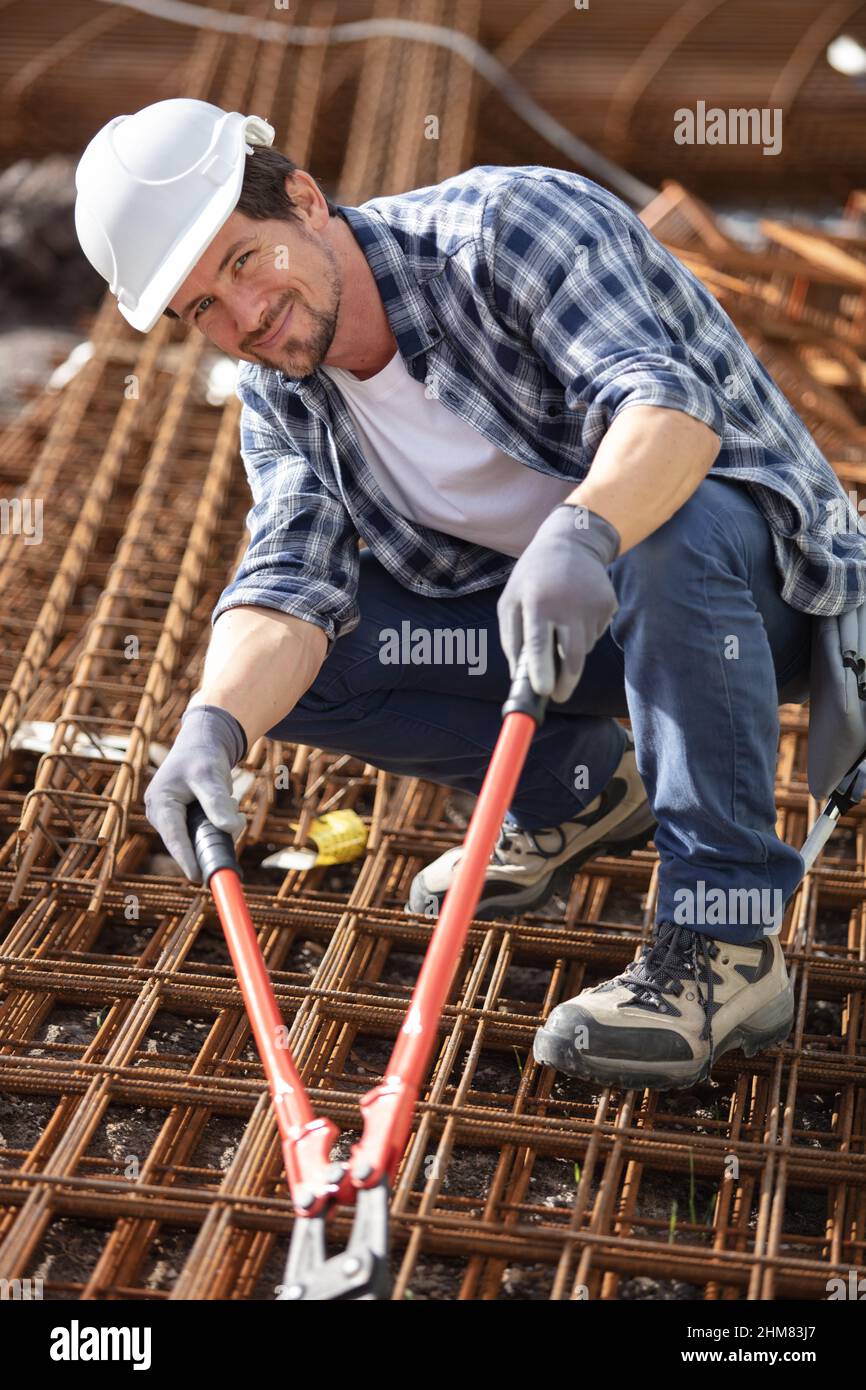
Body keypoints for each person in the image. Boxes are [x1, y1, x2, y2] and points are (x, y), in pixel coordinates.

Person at [75, 98, 866, 1091]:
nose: (244, 320)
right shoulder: (283, 400)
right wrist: (213, 726)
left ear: (306, 201)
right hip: (563, 628)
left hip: (762, 592)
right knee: (302, 659)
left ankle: (726, 943)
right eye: (203, 310)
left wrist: (583, 530)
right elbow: (286, 583)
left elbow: (667, 407)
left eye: (243, 263)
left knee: (672, 529)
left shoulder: (503, 232)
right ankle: (578, 791)